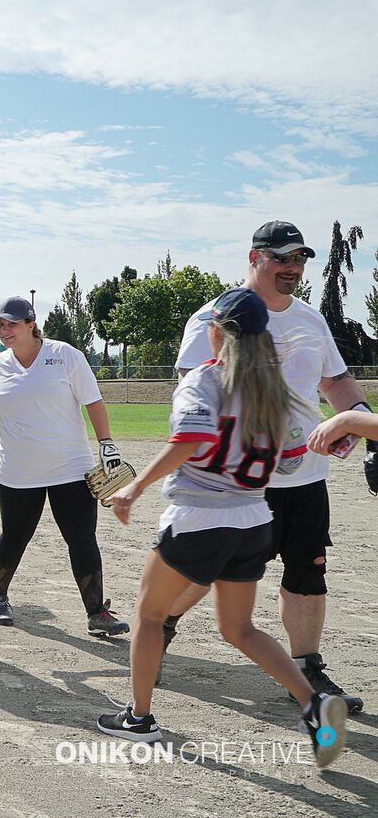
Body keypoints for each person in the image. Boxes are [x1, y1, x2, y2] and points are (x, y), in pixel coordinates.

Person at [97, 287, 348, 769]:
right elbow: (293, 460)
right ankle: (314, 705)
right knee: (239, 628)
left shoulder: (203, 381)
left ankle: (139, 719)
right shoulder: (276, 390)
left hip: (198, 518)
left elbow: (189, 440)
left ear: (217, 332)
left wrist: (135, 488)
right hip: (254, 517)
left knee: (150, 616)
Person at [162, 221, 367, 712]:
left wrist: (363, 431)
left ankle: (309, 670)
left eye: (300, 260)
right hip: (240, 479)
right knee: (206, 572)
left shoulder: (311, 320)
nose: (293, 268)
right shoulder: (216, 316)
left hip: (305, 474)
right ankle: (159, 625)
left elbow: (337, 384)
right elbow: (194, 385)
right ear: (254, 258)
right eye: (282, 258)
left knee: (308, 569)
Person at [0, 296, 129, 636]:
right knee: (15, 536)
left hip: (70, 468)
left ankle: (97, 613)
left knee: (82, 539)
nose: (4, 330)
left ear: (31, 324)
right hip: (17, 470)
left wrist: (107, 444)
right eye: (0, 324)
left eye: (11, 323)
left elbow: (93, 401)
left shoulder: (65, 355)